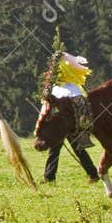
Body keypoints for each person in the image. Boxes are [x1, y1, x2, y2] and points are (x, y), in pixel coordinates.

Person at [41, 52, 98, 184]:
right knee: (73, 150)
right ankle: (93, 174)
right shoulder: (74, 89)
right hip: (69, 125)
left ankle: (50, 178)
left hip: (64, 126)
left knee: (56, 151)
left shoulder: (59, 89)